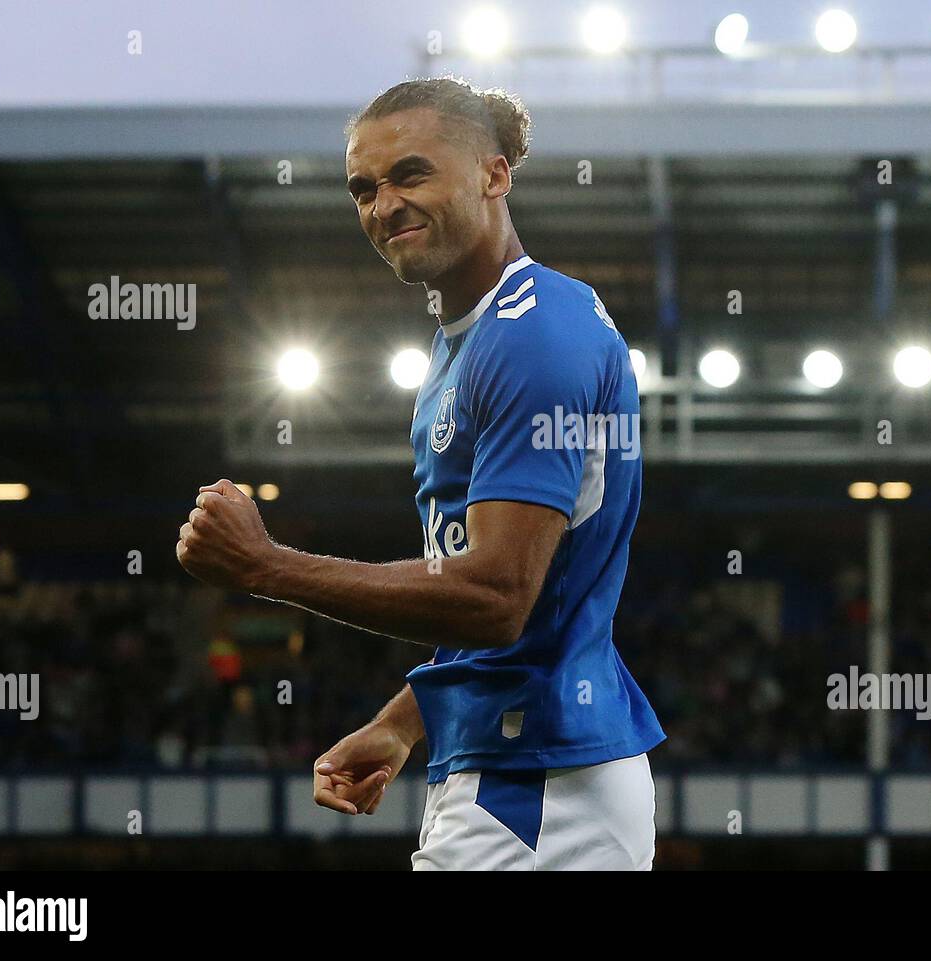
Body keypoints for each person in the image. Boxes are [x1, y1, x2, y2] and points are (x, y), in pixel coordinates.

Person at [176, 77, 665, 870]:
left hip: (537, 780)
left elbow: (497, 596)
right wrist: (407, 720)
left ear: (493, 175)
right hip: (513, 765)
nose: (383, 205)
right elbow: (502, 603)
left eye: (411, 174)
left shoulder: (533, 337)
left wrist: (266, 566)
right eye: (363, 188)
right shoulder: (465, 339)